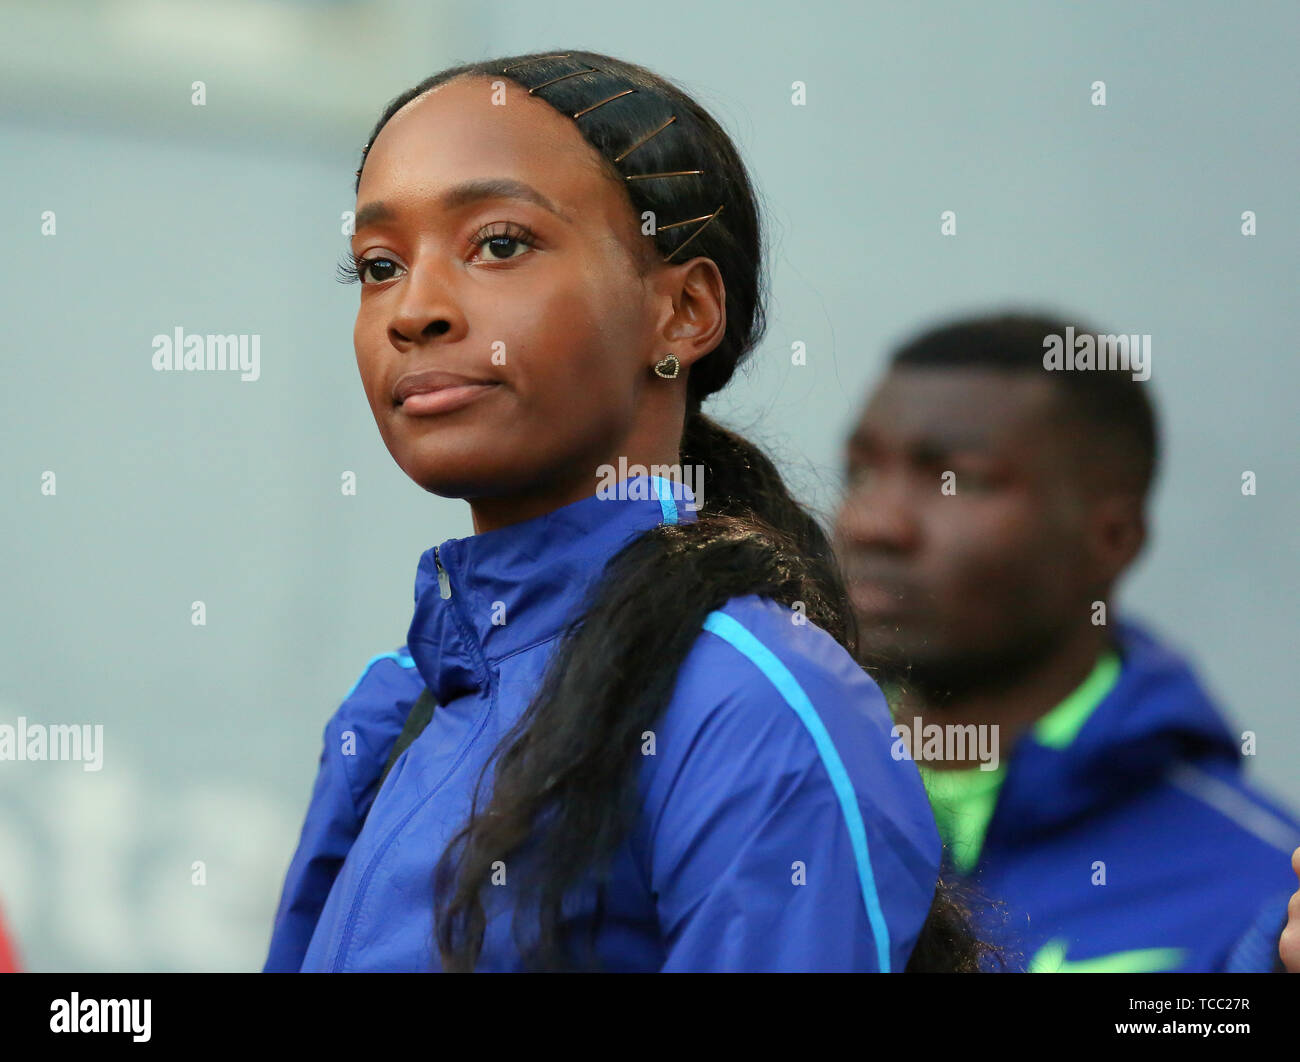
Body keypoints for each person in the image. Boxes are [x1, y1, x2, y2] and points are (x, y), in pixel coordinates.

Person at [263, 50, 986, 972]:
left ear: (682, 311)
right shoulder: (396, 702)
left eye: (498, 243)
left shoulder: (752, 703)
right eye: (378, 263)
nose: (416, 310)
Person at [832, 311, 1300, 972]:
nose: (871, 522)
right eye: (860, 472)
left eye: (956, 478)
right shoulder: (766, 797)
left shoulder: (1264, 900)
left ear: (1111, 537)